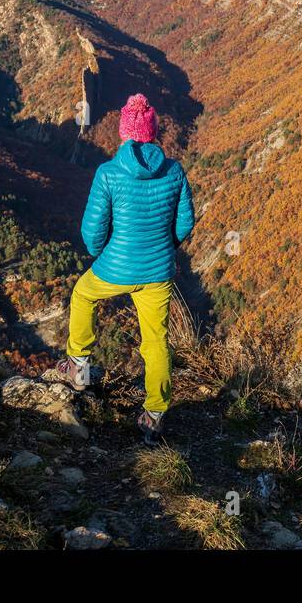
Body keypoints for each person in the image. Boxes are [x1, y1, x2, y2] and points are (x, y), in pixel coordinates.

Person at [54, 93, 195, 443]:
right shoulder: (175, 171)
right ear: (154, 132)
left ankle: (79, 367)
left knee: (83, 295)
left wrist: (104, 255)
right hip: (158, 273)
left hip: (114, 268)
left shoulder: (108, 173)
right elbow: (185, 223)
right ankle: (155, 414)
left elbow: (93, 229)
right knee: (156, 342)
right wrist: (167, 248)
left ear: (123, 133)